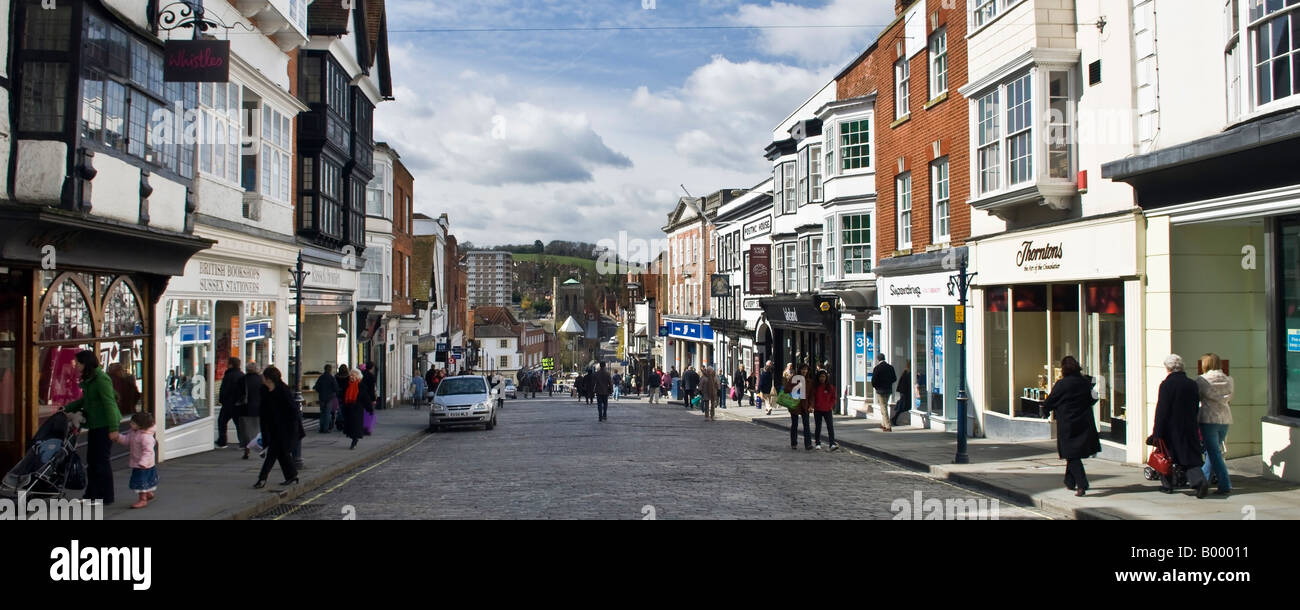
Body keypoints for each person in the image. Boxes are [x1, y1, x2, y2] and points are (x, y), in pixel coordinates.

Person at [64, 351, 121, 505]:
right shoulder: (91, 379)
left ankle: (106, 496)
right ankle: (91, 494)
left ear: (86, 364)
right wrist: (67, 408)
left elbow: (109, 403)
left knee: (101, 461)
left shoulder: (101, 380)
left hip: (105, 425)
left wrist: (114, 428)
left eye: (78, 363)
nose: (76, 366)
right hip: (96, 424)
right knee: (92, 461)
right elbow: (86, 400)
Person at [1151, 354, 1209, 498]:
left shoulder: (1166, 385)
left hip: (1171, 427)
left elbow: (1162, 410)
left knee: (1165, 456)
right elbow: (1195, 406)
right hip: (1189, 425)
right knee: (1189, 457)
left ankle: (1167, 485)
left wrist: (1157, 432)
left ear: (1168, 368)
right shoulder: (1191, 384)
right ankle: (1199, 481)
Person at [1043, 356, 1100, 496]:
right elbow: (1094, 398)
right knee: (1072, 454)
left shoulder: (1062, 384)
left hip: (1068, 424)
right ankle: (1069, 482)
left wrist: (1045, 411)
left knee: (1071, 455)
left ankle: (1082, 484)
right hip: (1084, 423)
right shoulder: (1085, 382)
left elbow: (1050, 400)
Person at [253, 366, 298, 488]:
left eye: (263, 376)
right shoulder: (264, 390)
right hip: (271, 427)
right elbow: (263, 410)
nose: (261, 377)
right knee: (282, 453)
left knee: (272, 454)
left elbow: (293, 410)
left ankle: (262, 479)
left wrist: (290, 428)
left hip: (284, 428)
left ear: (269, 379)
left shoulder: (283, 390)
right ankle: (292, 475)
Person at [1197, 353, 1235, 496]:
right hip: (1225, 418)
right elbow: (1229, 397)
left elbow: (1198, 397)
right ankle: (1203, 481)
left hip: (1208, 418)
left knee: (1213, 453)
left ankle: (1224, 484)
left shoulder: (1202, 380)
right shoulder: (1229, 380)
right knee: (1214, 452)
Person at [114, 411, 157, 509]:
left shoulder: (146, 437)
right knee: (144, 480)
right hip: (137, 462)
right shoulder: (133, 432)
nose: (130, 424)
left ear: (141, 425)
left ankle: (143, 500)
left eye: (133, 423)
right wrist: (118, 438)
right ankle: (148, 493)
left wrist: (143, 462)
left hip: (144, 464)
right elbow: (127, 440)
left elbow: (148, 451)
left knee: (140, 482)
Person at [216, 358, 245, 448]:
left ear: (231, 364)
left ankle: (222, 441)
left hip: (228, 404)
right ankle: (242, 443)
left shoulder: (228, 375)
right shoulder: (242, 375)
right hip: (238, 404)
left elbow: (225, 389)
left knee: (222, 422)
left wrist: (222, 400)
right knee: (239, 424)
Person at [341, 368, 371, 450]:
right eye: (350, 375)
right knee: (350, 426)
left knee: (356, 426)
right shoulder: (347, 385)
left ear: (357, 377)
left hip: (357, 409)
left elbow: (365, 398)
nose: (351, 377)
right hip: (348, 408)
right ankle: (353, 438)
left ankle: (354, 441)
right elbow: (342, 395)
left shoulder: (361, 386)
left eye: (353, 375)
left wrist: (369, 408)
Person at [785, 363, 812, 450]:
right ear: (799, 370)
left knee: (806, 425)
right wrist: (795, 389)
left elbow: (812, 395)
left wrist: (811, 405)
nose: (804, 371)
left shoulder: (809, 381)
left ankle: (808, 444)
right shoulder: (794, 379)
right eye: (803, 369)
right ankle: (794, 443)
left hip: (805, 405)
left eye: (806, 369)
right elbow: (786, 389)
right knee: (794, 424)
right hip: (795, 404)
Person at [241, 362, 264, 459]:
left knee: (246, 432)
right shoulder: (262, 380)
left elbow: (238, 395)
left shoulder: (242, 380)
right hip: (260, 409)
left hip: (245, 409)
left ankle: (247, 451)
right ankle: (261, 450)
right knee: (259, 431)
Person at [812, 370, 838, 451]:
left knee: (830, 427)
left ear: (826, 377)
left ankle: (832, 443)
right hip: (818, 409)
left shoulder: (831, 387)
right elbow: (813, 398)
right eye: (820, 377)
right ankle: (817, 443)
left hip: (827, 409)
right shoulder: (815, 387)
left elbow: (834, 398)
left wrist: (830, 405)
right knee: (818, 427)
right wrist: (813, 406)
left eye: (823, 376)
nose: (822, 378)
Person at [870, 354, 897, 432]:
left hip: (880, 390)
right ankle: (883, 424)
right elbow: (894, 378)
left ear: (878, 359)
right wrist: (888, 383)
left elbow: (873, 381)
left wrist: (876, 387)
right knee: (884, 406)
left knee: (883, 407)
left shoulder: (877, 368)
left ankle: (888, 426)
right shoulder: (890, 367)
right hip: (888, 390)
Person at [315, 364, 339, 432]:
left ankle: (321, 428)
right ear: (330, 370)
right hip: (329, 398)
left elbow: (317, 387)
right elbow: (335, 388)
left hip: (322, 397)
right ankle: (326, 428)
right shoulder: (331, 378)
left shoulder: (321, 377)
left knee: (322, 413)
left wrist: (321, 391)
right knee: (328, 413)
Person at [891, 360, 912, 428]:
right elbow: (906, 383)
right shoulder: (907, 373)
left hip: (905, 392)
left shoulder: (906, 372)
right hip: (905, 392)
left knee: (905, 406)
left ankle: (895, 418)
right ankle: (894, 418)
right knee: (904, 406)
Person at [334, 364, 351, 433]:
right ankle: (343, 422)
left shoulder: (336, 376)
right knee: (345, 409)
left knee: (339, 409)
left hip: (338, 394)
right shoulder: (348, 377)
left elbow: (335, 385)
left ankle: (339, 422)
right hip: (346, 395)